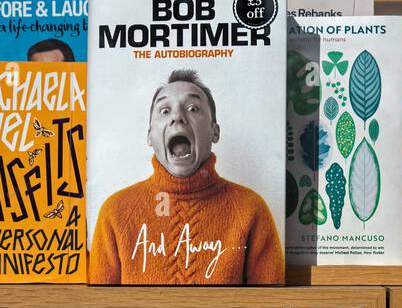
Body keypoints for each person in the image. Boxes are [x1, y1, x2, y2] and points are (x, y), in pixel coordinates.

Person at [89, 68, 283, 285]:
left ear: (215, 131)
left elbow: (268, 303)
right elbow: (101, 305)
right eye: (164, 111)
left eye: (192, 108)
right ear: (149, 136)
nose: (177, 117)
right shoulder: (115, 212)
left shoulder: (250, 209)